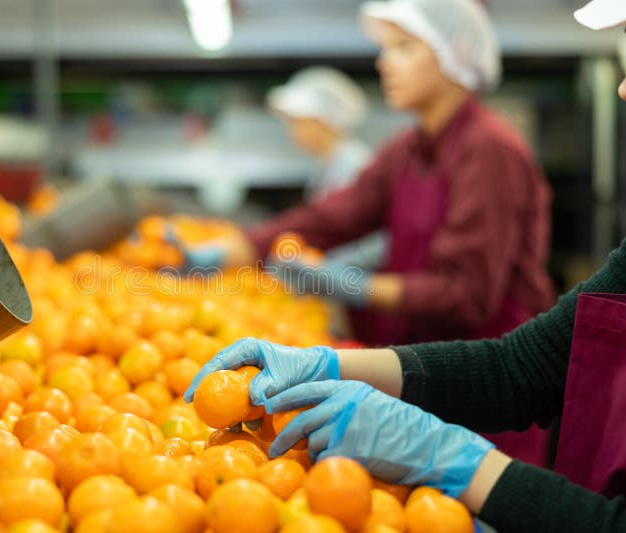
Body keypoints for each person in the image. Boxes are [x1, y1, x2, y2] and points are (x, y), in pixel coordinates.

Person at [184, 3, 626, 531]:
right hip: (446, 378)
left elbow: (466, 296)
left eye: (403, 47)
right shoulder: (410, 150)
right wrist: (322, 357)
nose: (383, 63)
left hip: (494, 427)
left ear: (453, 56)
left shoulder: (491, 151)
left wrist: (348, 284)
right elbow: (336, 216)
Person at [266, 66, 388, 269]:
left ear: (324, 121)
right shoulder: (329, 164)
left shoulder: (354, 165)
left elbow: (373, 241)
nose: (292, 131)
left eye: (298, 122)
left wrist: (327, 270)